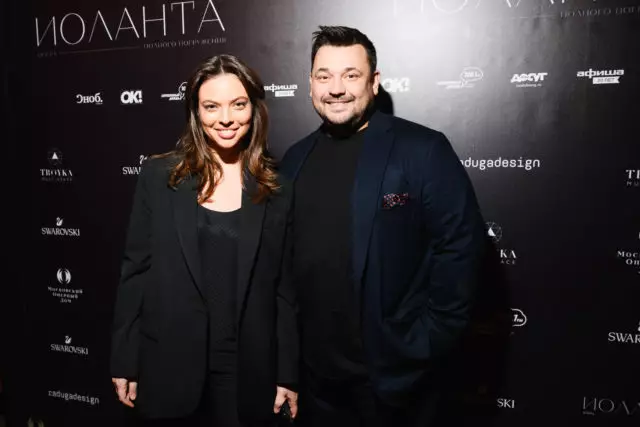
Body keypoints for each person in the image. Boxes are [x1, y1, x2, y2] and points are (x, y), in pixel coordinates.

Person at [280, 26, 485, 427]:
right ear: (310, 84)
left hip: (394, 382)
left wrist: (425, 342)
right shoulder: (294, 160)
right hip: (316, 382)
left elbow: (460, 247)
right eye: (324, 76)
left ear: (374, 82)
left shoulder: (423, 149)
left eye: (351, 75)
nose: (336, 88)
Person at [110, 54, 298, 426]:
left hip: (247, 372)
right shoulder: (159, 176)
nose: (225, 118)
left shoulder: (277, 188)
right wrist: (124, 357)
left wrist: (287, 372)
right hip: (169, 364)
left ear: (255, 108)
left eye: (238, 104)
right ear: (196, 112)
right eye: (211, 106)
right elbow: (136, 272)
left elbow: (285, 291)